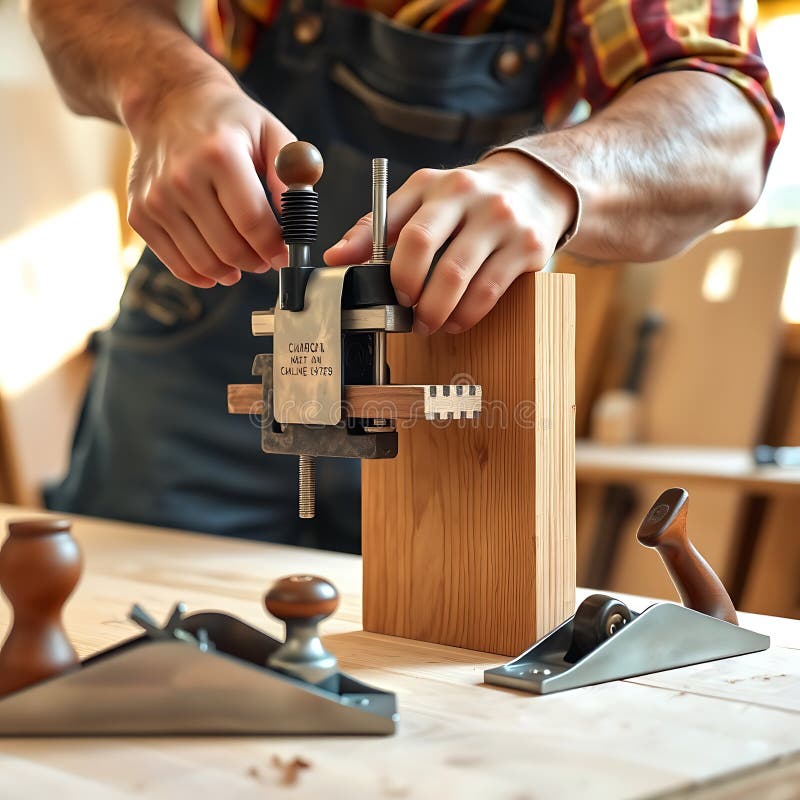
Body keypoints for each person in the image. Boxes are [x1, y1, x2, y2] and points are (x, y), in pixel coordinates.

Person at [26, 0, 782, 552]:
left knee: (439, 669)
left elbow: (729, 121)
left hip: (446, 355)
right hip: (203, 328)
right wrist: (163, 86)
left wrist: (548, 179)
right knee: (127, 655)